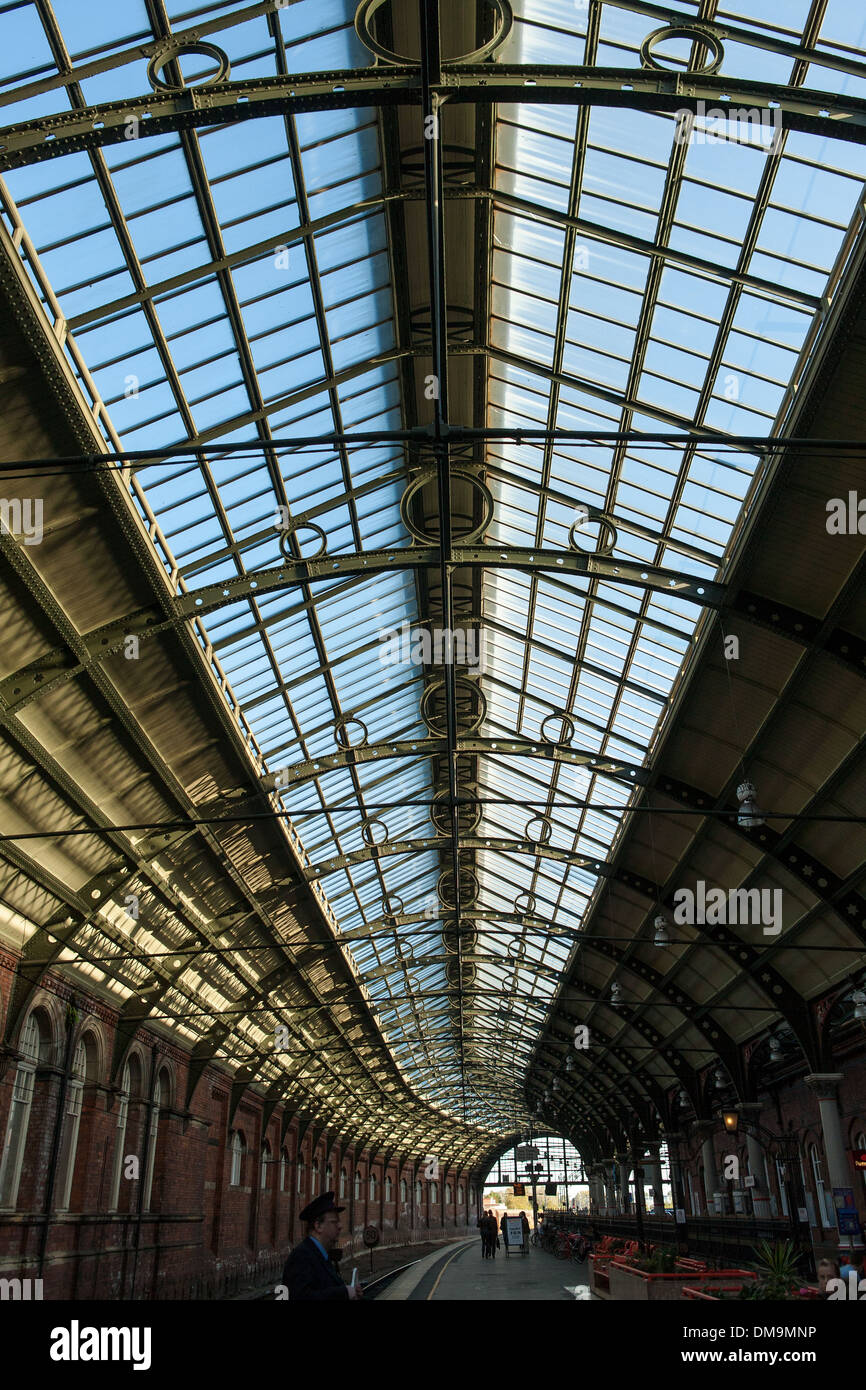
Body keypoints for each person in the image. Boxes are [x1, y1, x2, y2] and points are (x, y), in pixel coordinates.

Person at [281, 1192, 362, 1300]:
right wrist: (344, 1292)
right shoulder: (301, 1257)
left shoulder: (320, 1255)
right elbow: (301, 1297)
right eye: (334, 1222)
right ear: (318, 1226)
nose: (340, 1226)